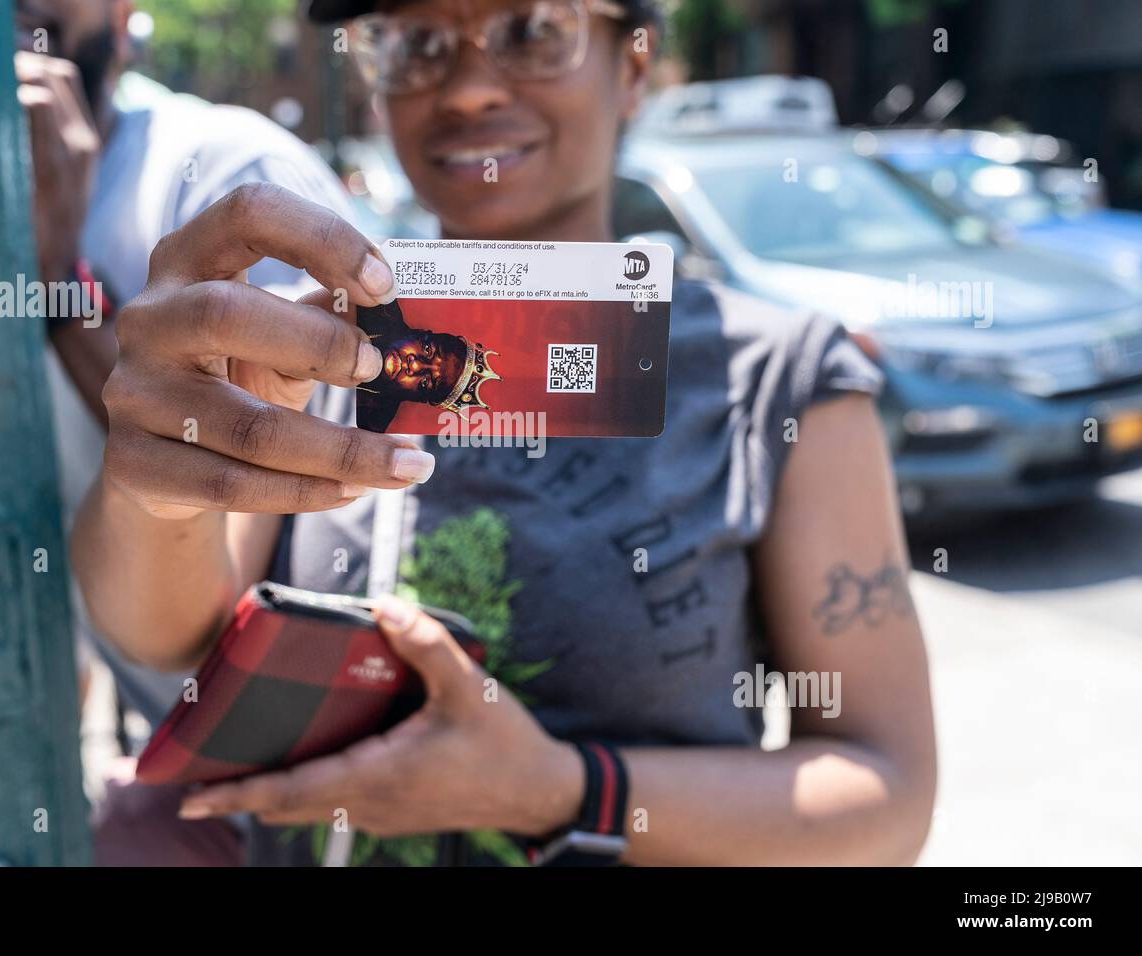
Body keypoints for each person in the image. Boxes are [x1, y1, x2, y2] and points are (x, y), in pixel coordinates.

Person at [72, 0, 938, 865]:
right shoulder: (321, 347)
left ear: (631, 65)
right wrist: (158, 479)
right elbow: (168, 635)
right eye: (416, 45)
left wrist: (564, 788)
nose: (471, 90)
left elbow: (888, 799)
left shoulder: (777, 378)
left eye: (532, 30)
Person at [14, 0, 357, 864]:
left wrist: (59, 287)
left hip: (293, 788)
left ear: (124, 13)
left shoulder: (225, 176)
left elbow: (244, 496)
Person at [356, 301, 502, 431]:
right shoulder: (378, 304)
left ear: (417, 398)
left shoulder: (371, 422)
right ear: (420, 332)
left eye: (425, 383)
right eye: (427, 349)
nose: (414, 365)